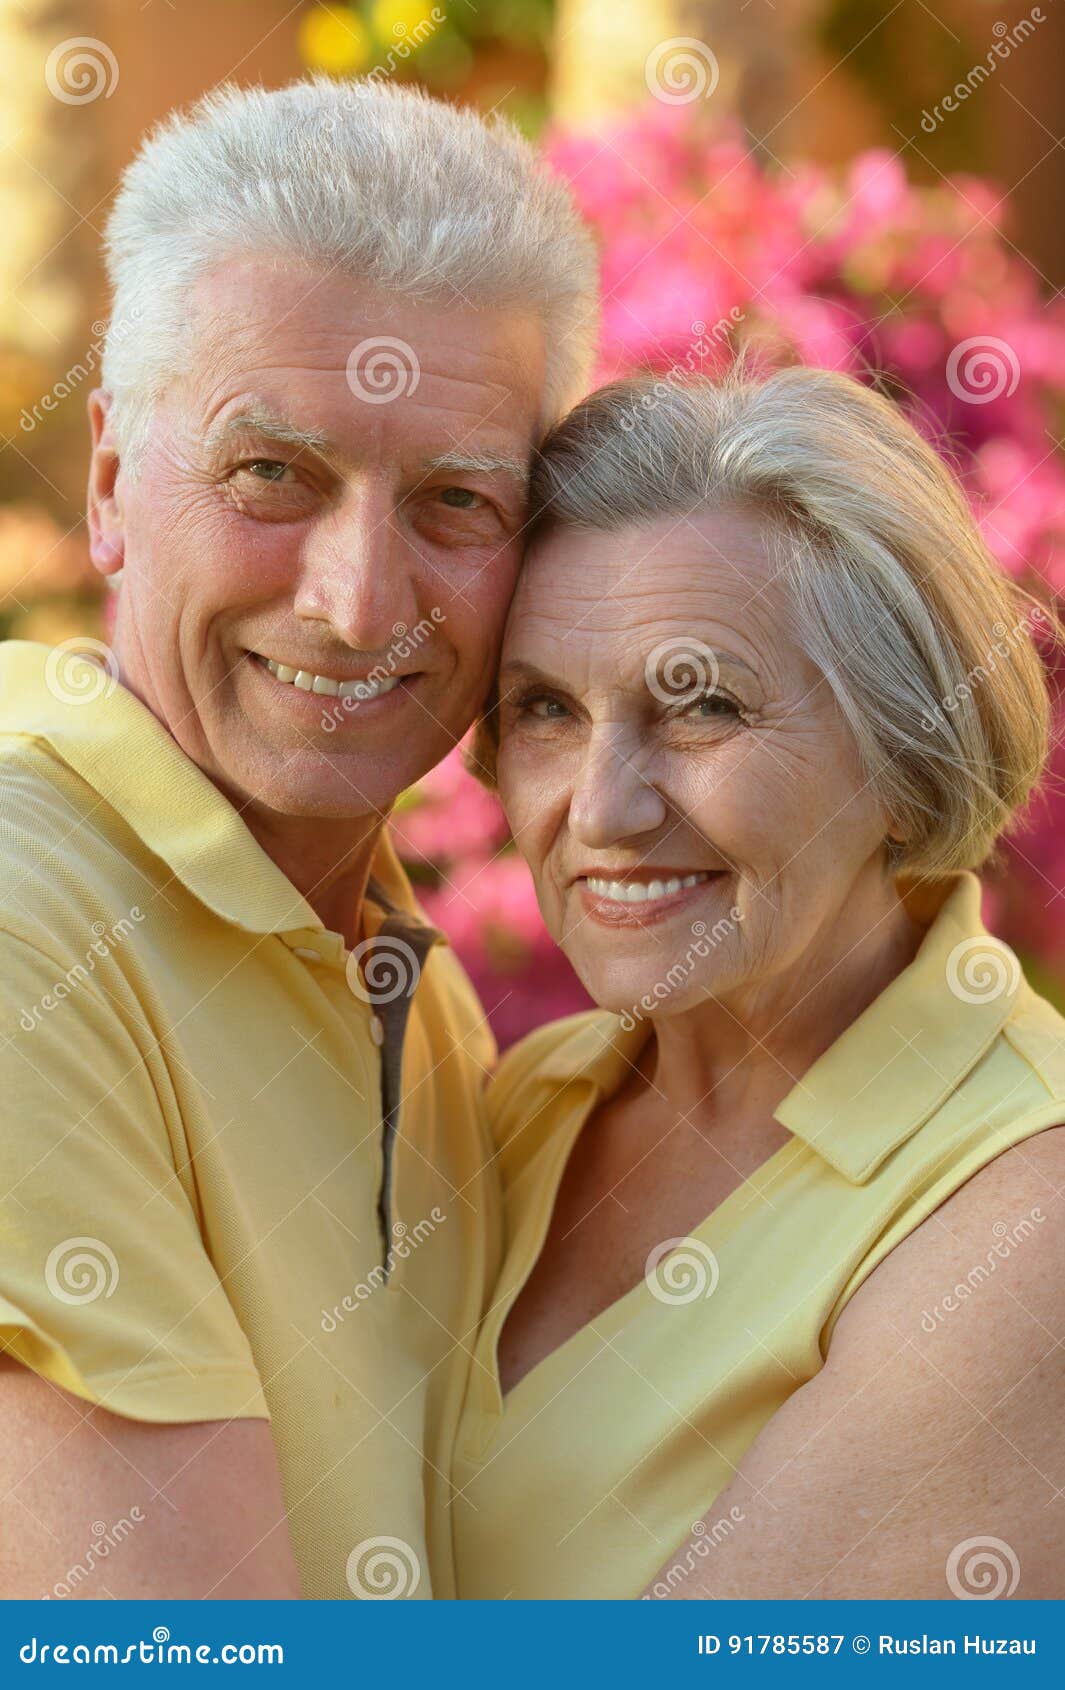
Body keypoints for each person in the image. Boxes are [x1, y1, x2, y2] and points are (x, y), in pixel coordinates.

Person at [0, 75, 596, 1600]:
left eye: (458, 500)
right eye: (276, 473)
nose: (356, 600)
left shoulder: (413, 983)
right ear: (117, 482)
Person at [451, 367, 1065, 1600]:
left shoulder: (1023, 1211)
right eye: (545, 710)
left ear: (906, 748)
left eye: (703, 707)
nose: (603, 808)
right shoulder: (523, 1102)